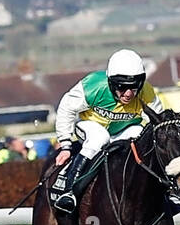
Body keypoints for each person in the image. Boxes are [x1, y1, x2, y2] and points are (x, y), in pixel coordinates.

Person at [50, 48, 163, 213]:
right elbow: (66, 108)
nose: (129, 94)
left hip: (124, 130)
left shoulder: (146, 91)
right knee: (99, 137)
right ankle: (69, 191)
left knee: (140, 133)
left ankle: (160, 192)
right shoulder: (93, 86)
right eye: (123, 88)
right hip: (90, 126)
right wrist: (66, 145)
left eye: (134, 87)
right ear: (111, 83)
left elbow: (159, 122)